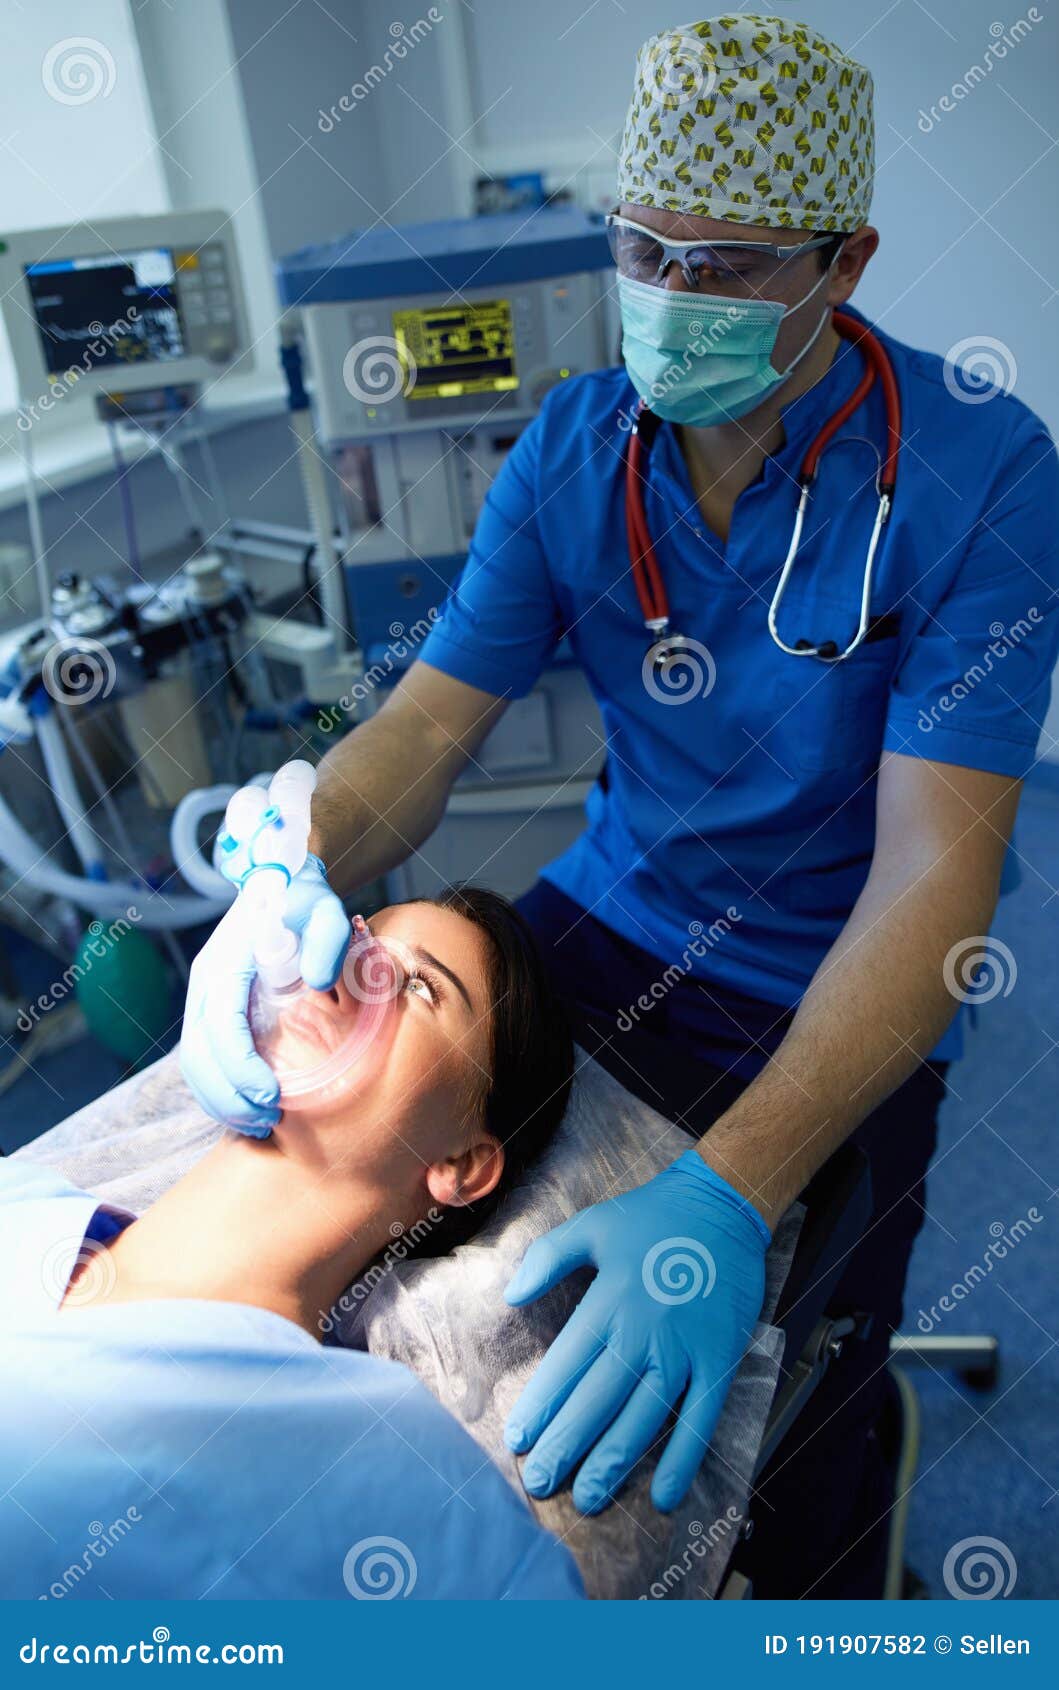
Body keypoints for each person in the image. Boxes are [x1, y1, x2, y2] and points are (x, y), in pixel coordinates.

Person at [180, 16, 1059, 1596]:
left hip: (837, 976)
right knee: (390, 1280)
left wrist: (729, 1188)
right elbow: (424, 725)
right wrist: (289, 861)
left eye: (722, 266)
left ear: (842, 262)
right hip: (599, 922)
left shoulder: (979, 470)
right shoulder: (573, 451)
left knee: (775, 1452)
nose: (668, 296)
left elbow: (935, 870)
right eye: (640, 249)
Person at [0, 890, 582, 1601]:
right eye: (354, 939)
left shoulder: (380, 1460)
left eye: (419, 986)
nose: (347, 973)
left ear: (462, 1164)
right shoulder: (19, 1201)